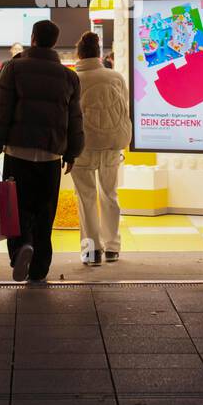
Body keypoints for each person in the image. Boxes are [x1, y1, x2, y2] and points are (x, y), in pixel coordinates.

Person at [0, 20, 84, 284]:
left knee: (16, 209)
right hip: (51, 155)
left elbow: (1, 112)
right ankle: (39, 269)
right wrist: (72, 152)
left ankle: (20, 249)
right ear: (54, 41)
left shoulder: (14, 68)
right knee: (45, 211)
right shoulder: (69, 76)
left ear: (33, 38)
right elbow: (75, 119)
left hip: (17, 153)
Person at [70, 31, 131, 265]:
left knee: (86, 198)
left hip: (83, 146)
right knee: (110, 195)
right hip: (111, 145)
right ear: (98, 54)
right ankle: (113, 248)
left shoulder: (74, 79)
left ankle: (91, 252)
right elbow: (123, 107)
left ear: (79, 55)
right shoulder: (115, 77)